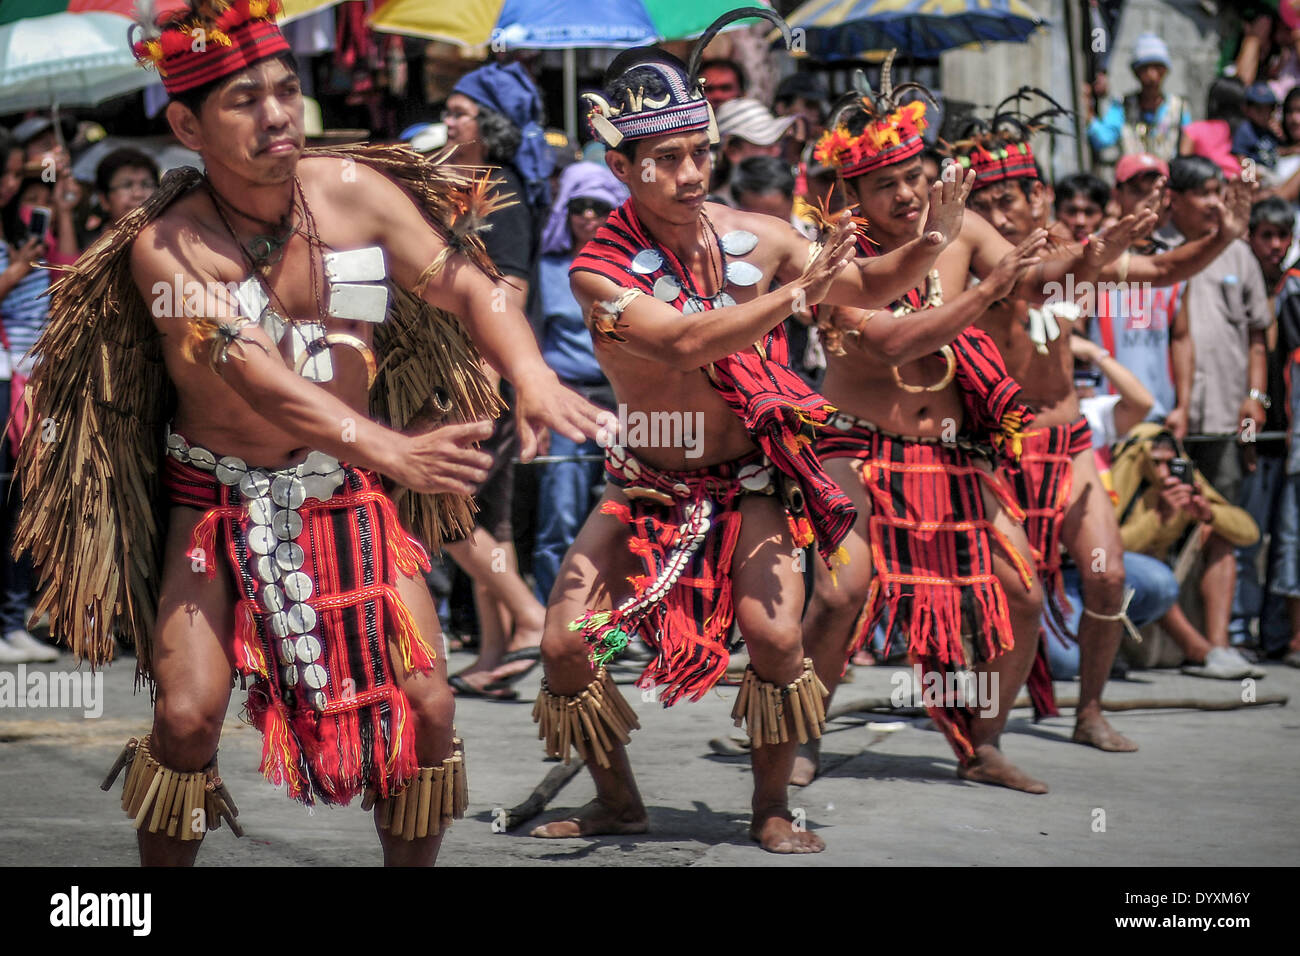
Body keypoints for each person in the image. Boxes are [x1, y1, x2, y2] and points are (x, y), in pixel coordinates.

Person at [18, 0, 603, 867]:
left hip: (347, 493)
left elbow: (476, 288)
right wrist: (394, 450)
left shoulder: (355, 191)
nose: (277, 114)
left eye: (286, 90)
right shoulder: (169, 249)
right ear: (187, 123)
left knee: (430, 708)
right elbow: (256, 376)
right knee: (185, 720)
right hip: (212, 500)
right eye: (244, 101)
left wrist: (535, 374)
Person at [536, 19, 968, 853]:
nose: (691, 173)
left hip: (747, 488)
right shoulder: (599, 266)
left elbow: (867, 283)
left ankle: (771, 805)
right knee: (571, 646)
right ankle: (618, 800)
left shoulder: (760, 236)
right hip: (646, 500)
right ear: (621, 168)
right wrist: (794, 293)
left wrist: (931, 241)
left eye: (699, 152)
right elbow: (685, 342)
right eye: (666, 160)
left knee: (773, 639)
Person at [795, 70, 1072, 793]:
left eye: (914, 176)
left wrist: (1101, 256)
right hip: (856, 444)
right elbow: (891, 343)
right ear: (852, 195)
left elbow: (1040, 277)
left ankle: (983, 745)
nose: (906, 195)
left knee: (1022, 594)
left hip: (949, 454)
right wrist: (986, 290)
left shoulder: (963, 228)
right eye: (884, 184)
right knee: (838, 591)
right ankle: (798, 736)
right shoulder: (832, 257)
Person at [953, 102, 1255, 749]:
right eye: (985, 202)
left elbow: (1165, 271)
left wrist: (1226, 235)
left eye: (1009, 198)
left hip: (1067, 448)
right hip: (993, 452)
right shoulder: (977, 261)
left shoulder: (1075, 253)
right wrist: (1098, 250)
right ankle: (983, 737)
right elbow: (1039, 281)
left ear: (1040, 195)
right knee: (1012, 596)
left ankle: (1089, 711)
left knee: (1108, 574)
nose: (999, 214)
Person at [439, 61, 556, 698]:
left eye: (460, 111)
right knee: (490, 517)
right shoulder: (461, 182)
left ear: (489, 124)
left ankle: (529, 620)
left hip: (483, 373)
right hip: (471, 370)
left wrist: (483, 374)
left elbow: (508, 286)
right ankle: (495, 654)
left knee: (440, 508)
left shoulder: (499, 188)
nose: (448, 121)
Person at [1042, 334, 1180, 680]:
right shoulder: (1031, 412)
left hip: (1086, 563)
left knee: (1159, 583)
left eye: (1087, 376)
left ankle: (1099, 641)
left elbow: (1143, 401)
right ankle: (1038, 640)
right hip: (1041, 567)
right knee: (1064, 664)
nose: (1083, 383)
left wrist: (1094, 353)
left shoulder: (1093, 414)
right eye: (1075, 373)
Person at [532, 161, 627, 607]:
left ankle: (627, 616)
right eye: (578, 206)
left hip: (624, 399)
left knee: (627, 510)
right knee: (560, 512)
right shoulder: (547, 265)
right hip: (566, 399)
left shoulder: (629, 266)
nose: (588, 216)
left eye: (599, 207)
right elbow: (530, 338)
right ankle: (557, 613)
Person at [1157, 156, 1272, 506]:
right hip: (1164, 418)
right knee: (1163, 521)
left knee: (1224, 518)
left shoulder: (1239, 254)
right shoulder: (1154, 253)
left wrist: (1256, 396)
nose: (1213, 202)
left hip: (1227, 414)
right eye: (1200, 193)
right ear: (1173, 198)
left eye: (1216, 192)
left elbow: (1257, 338)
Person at [1110, 428, 1263, 679]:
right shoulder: (1127, 476)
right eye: (1156, 462)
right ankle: (1203, 654)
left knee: (1220, 539)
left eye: (1169, 462)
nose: (1163, 472)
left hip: (1175, 586)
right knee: (1153, 574)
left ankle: (1220, 647)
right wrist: (1158, 519)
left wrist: (1208, 514)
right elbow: (1107, 549)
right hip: (1136, 595)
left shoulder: (1184, 482)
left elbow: (1250, 532)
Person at [0, 129, 56, 665]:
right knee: (7, 500)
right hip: (5, 379)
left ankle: (13, 619)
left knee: (20, 501)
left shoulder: (15, 226)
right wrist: (15, 272)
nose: (14, 183)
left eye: (20, 173)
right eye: (9, 172)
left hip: (26, 378)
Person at [731, 156, 826, 390]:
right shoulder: (722, 254)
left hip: (812, 371)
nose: (769, 231)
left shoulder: (814, 240)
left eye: (776, 219)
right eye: (757, 220)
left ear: (791, 200)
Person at [1087, 33, 1190, 165]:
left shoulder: (1178, 107)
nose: (1152, 75)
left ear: (1165, 70)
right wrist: (1088, 114)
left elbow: (1187, 146)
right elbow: (1103, 139)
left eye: (1157, 67)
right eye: (1145, 68)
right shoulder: (1123, 105)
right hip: (1132, 182)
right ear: (1136, 72)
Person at [710, 97, 796, 205]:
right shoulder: (713, 210)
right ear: (733, 153)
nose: (777, 151)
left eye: (778, 142)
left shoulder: (795, 200)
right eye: (766, 144)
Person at [1183, 76, 1246, 180]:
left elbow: (1183, 165)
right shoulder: (1245, 130)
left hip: (1203, 186)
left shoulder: (1193, 129)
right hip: (1239, 185)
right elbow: (1249, 167)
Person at [1232, 83, 1281, 173]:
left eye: (1269, 109)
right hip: (1257, 172)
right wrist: (1252, 175)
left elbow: (1277, 151)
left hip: (1273, 169)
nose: (1264, 114)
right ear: (1247, 109)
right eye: (1259, 110)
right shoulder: (1245, 129)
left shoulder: (1270, 129)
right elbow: (1241, 157)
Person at [1053, 172, 1110, 242]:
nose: (1080, 221)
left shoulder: (1118, 250)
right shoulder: (1040, 248)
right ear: (1057, 213)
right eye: (1071, 211)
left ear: (1103, 215)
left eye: (1089, 212)